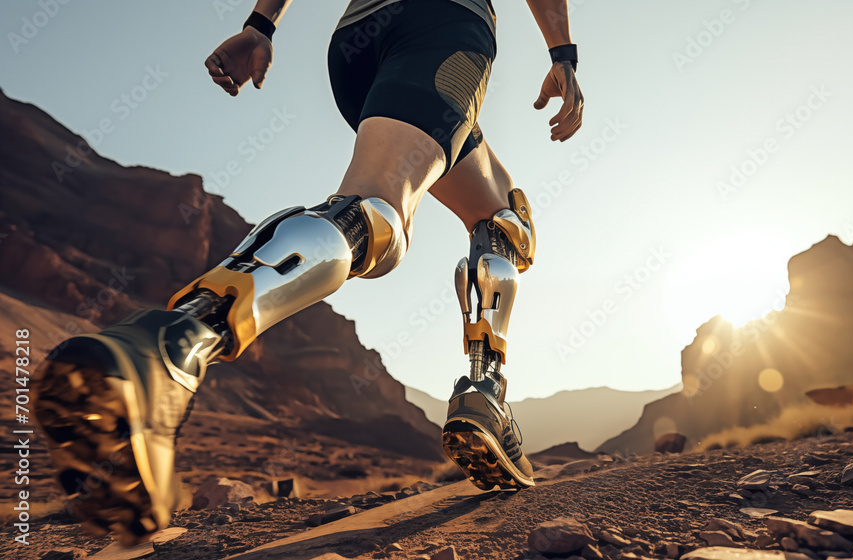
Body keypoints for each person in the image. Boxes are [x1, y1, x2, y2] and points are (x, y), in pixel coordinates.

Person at [34, 0, 583, 546]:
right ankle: (168, 347)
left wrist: (261, 24)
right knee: (378, 212)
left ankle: (486, 390)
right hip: (445, 21)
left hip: (357, 45)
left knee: (505, 223)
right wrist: (563, 55)